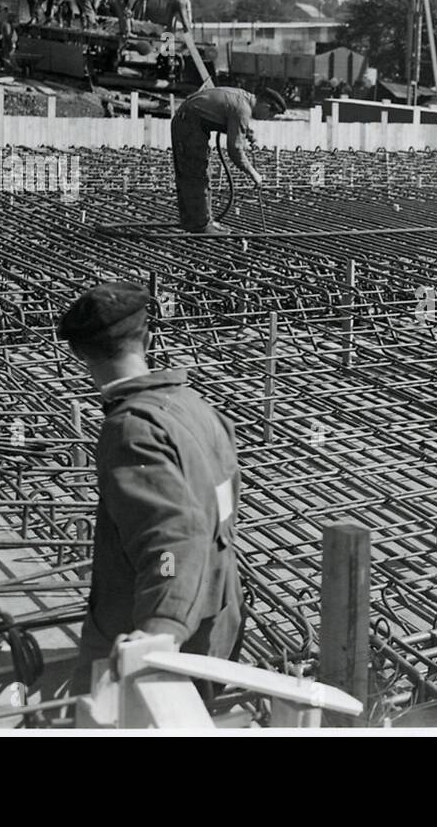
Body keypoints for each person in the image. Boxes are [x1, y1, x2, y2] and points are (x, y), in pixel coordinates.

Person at [59, 281, 243, 696]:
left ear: (80, 354)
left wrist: (161, 626)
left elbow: (171, 539)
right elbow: (217, 509)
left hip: (152, 634)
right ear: (148, 339)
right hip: (217, 610)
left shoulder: (131, 429)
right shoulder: (195, 406)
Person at [170, 86, 265, 233]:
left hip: (188, 121)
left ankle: (197, 221)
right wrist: (253, 173)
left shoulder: (242, 99)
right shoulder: (243, 107)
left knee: (196, 173)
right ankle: (200, 225)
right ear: (266, 106)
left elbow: (230, 117)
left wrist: (247, 133)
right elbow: (235, 150)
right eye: (270, 114)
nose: (267, 118)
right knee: (197, 174)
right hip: (188, 124)